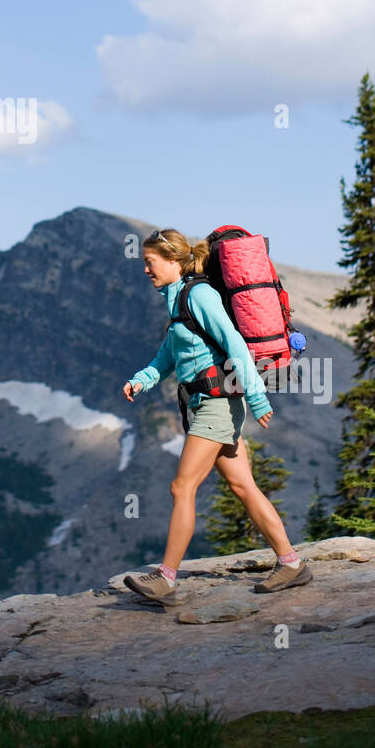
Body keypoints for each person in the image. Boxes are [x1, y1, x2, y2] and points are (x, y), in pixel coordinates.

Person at [121, 228, 312, 601]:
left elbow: (235, 345)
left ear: (174, 261)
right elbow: (166, 356)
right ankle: (291, 564)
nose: (145, 270)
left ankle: (166, 578)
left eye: (150, 262)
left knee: (182, 486)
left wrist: (258, 399)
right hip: (206, 405)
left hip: (218, 405)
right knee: (243, 486)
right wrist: (140, 381)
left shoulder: (201, 296)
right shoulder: (177, 302)